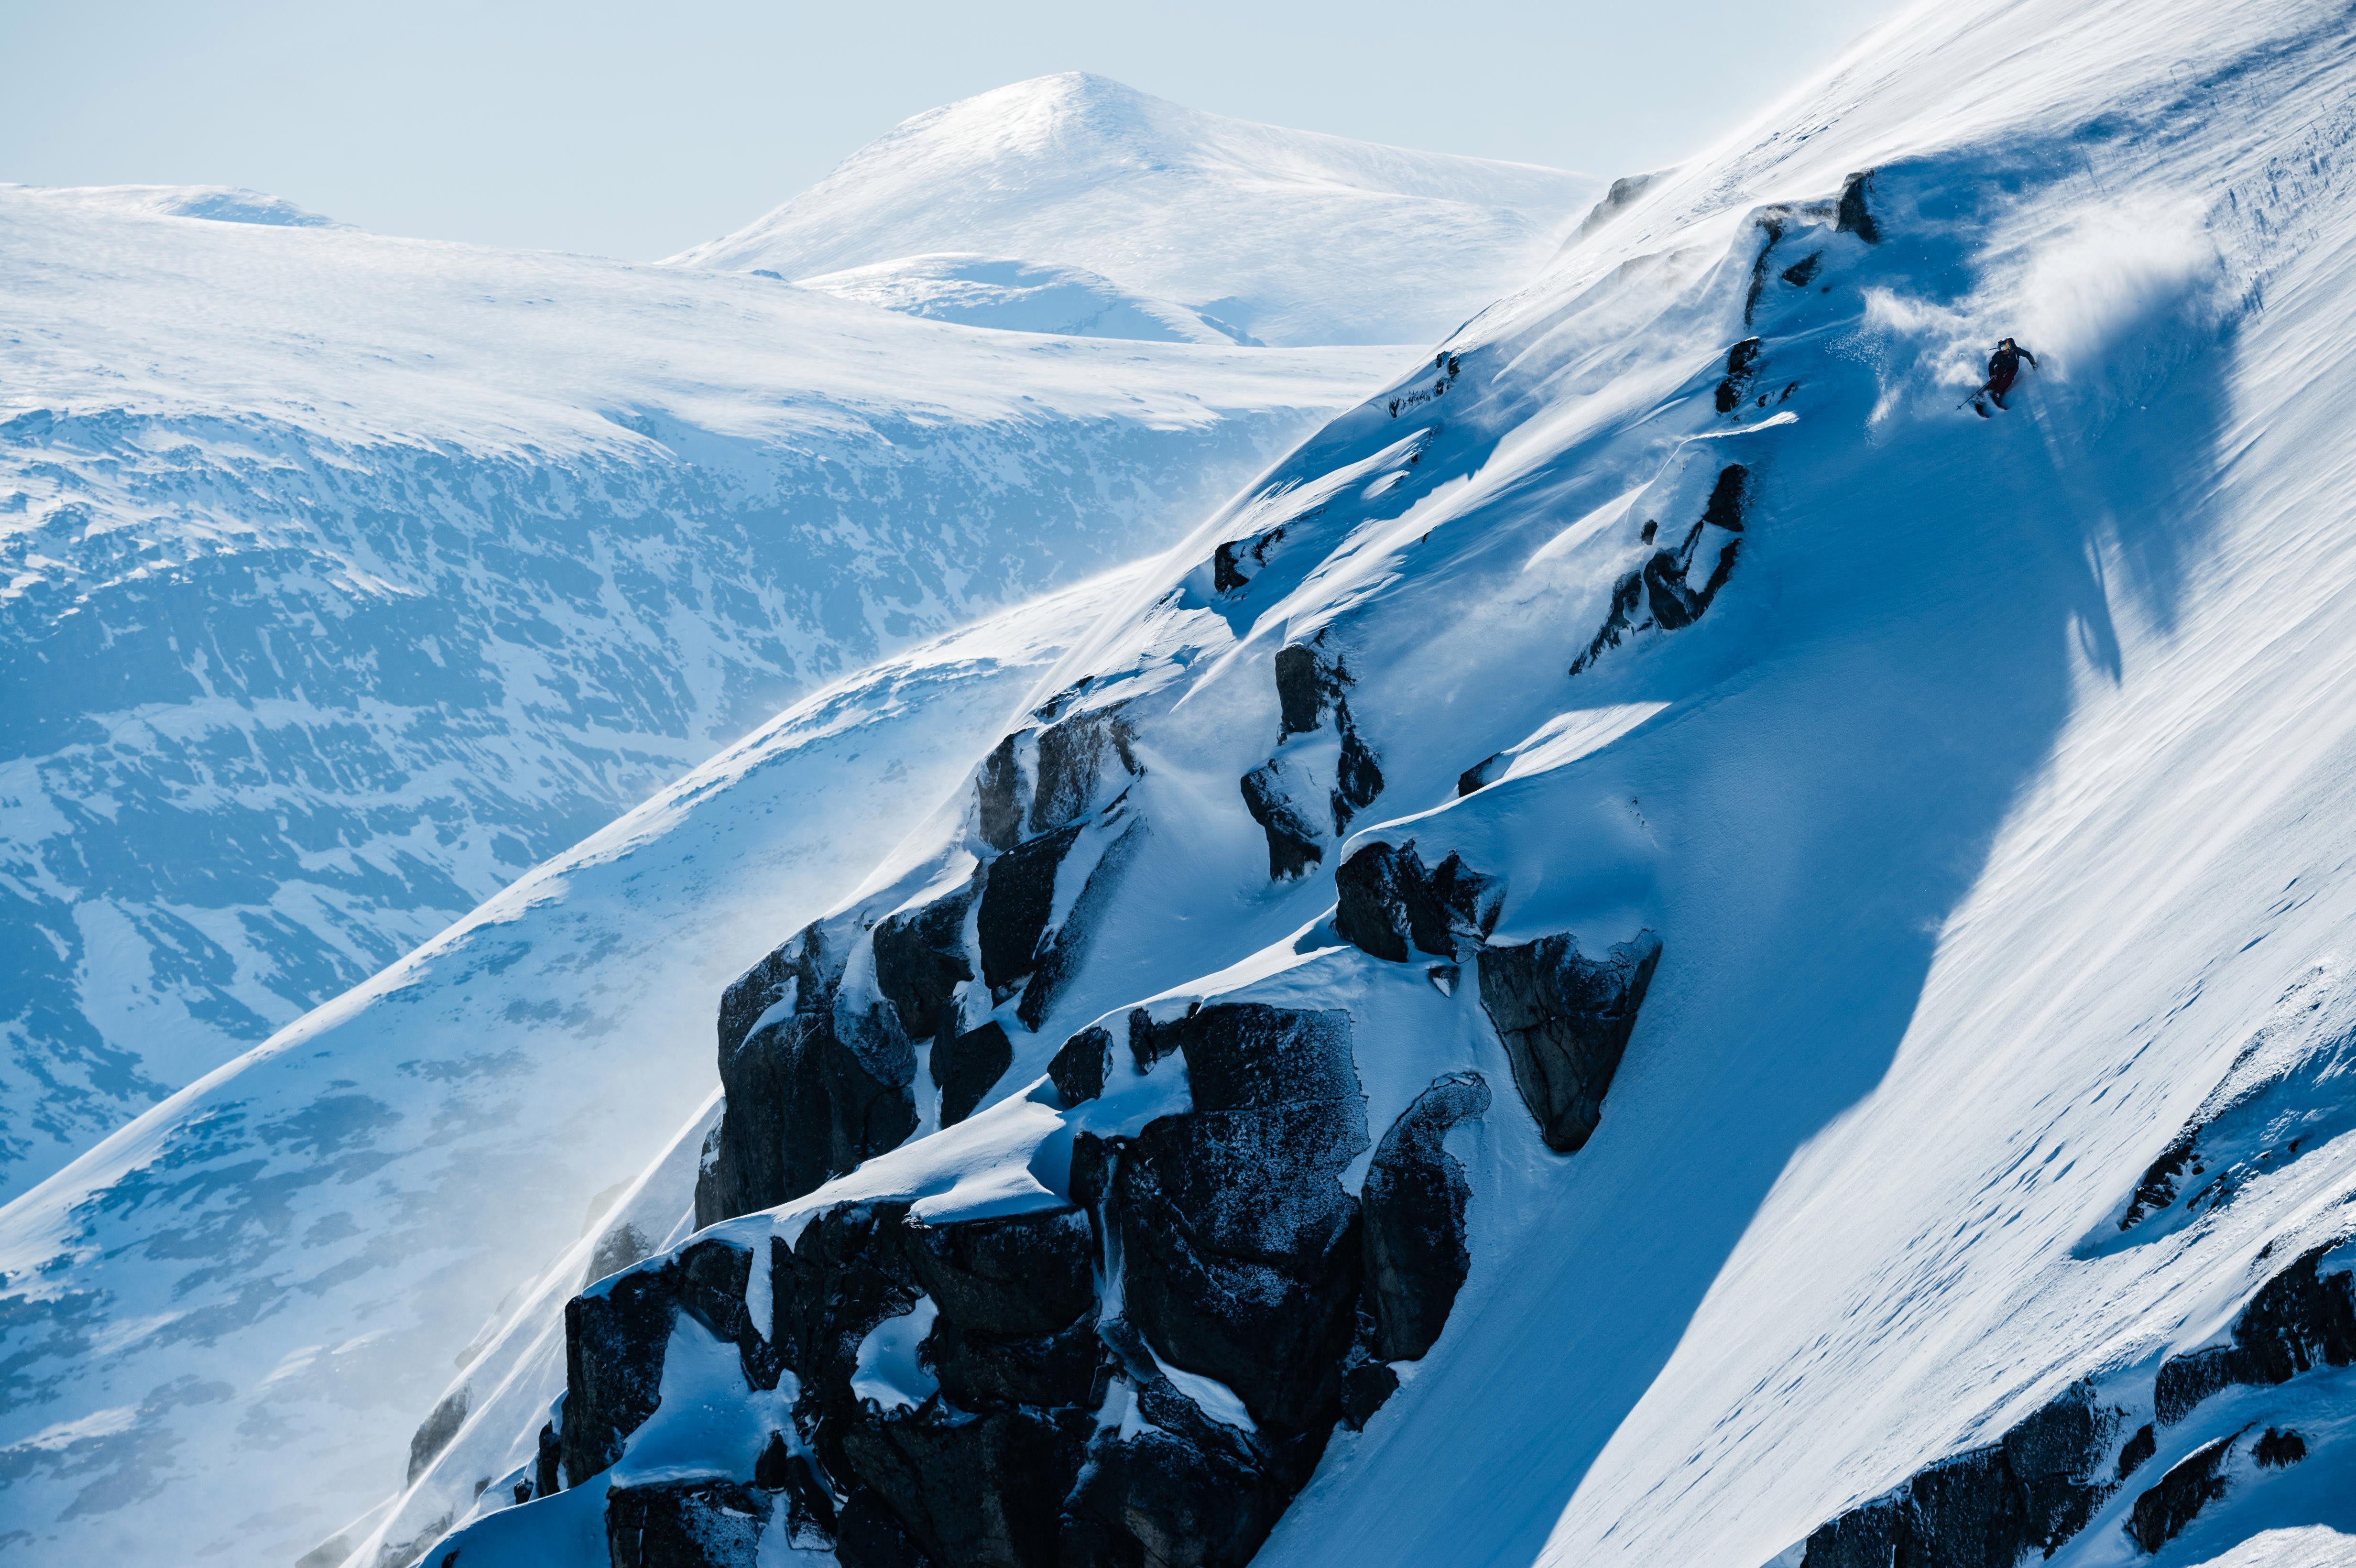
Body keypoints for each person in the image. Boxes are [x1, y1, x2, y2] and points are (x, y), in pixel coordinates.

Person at [1973, 338, 2038, 416]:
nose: (2004, 351)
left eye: (2006, 347)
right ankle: (1980, 397)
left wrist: (2033, 363)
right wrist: (1992, 375)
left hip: (2012, 369)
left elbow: (2028, 355)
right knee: (1996, 381)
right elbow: (1991, 365)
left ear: (2009, 345)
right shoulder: (1999, 355)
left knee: (2007, 380)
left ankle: (1997, 394)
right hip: (2001, 368)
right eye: (2002, 349)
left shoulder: (2016, 350)